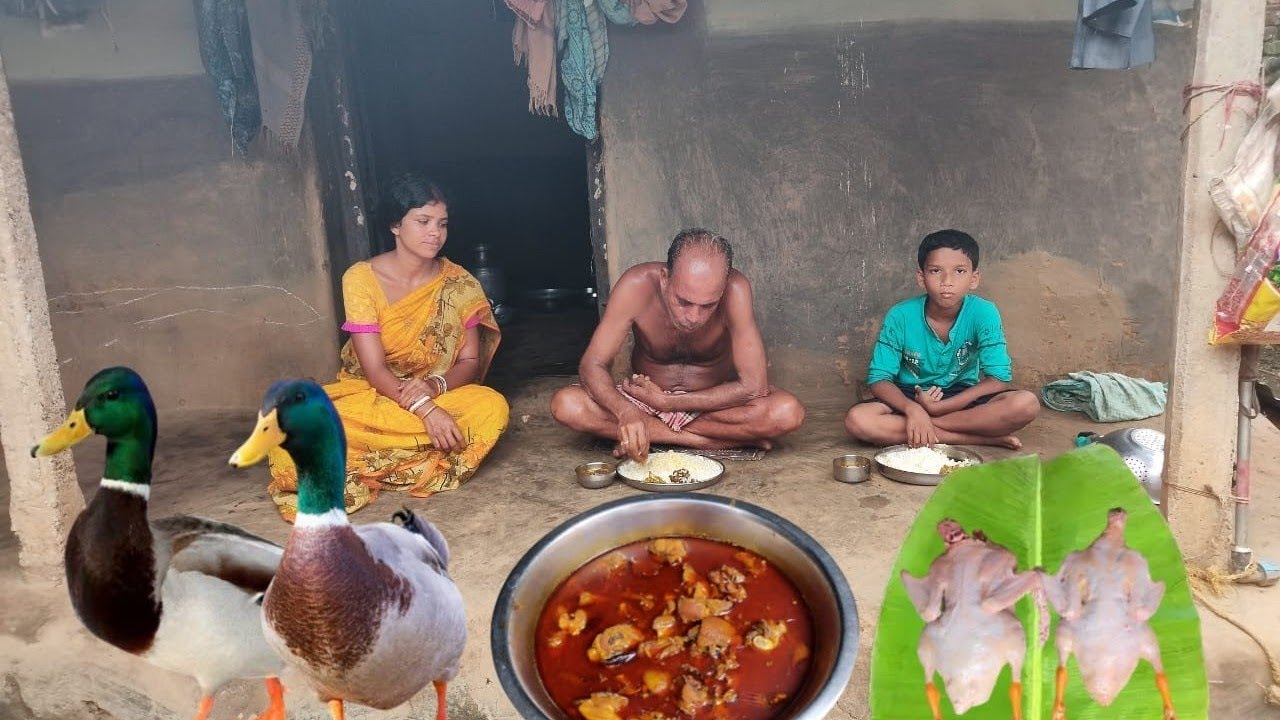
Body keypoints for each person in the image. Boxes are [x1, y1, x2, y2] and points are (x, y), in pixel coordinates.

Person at [265, 173, 509, 522]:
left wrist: (433, 387)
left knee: (491, 407)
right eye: (422, 221)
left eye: (442, 224)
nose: (435, 233)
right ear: (395, 224)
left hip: (438, 394)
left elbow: (471, 360)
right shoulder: (361, 279)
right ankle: (416, 454)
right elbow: (374, 370)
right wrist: (425, 410)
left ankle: (375, 456)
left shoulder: (459, 283)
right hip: (374, 394)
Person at [551, 228, 804, 462]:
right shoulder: (637, 285)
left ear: (724, 288)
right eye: (683, 301)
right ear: (664, 278)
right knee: (567, 405)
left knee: (787, 412)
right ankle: (709, 441)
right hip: (644, 401)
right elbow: (592, 364)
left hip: (709, 404)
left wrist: (669, 404)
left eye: (708, 306)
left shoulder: (737, 290)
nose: (693, 317)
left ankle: (648, 435)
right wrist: (626, 412)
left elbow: (753, 387)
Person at [844, 229, 1039, 450]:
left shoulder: (984, 312)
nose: (947, 281)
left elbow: (998, 378)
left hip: (961, 395)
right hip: (910, 394)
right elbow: (879, 379)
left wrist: (939, 409)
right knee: (858, 420)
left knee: (1026, 404)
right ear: (921, 277)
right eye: (936, 271)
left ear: (974, 279)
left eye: (959, 271)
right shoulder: (900, 315)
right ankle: (977, 438)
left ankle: (926, 428)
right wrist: (913, 410)